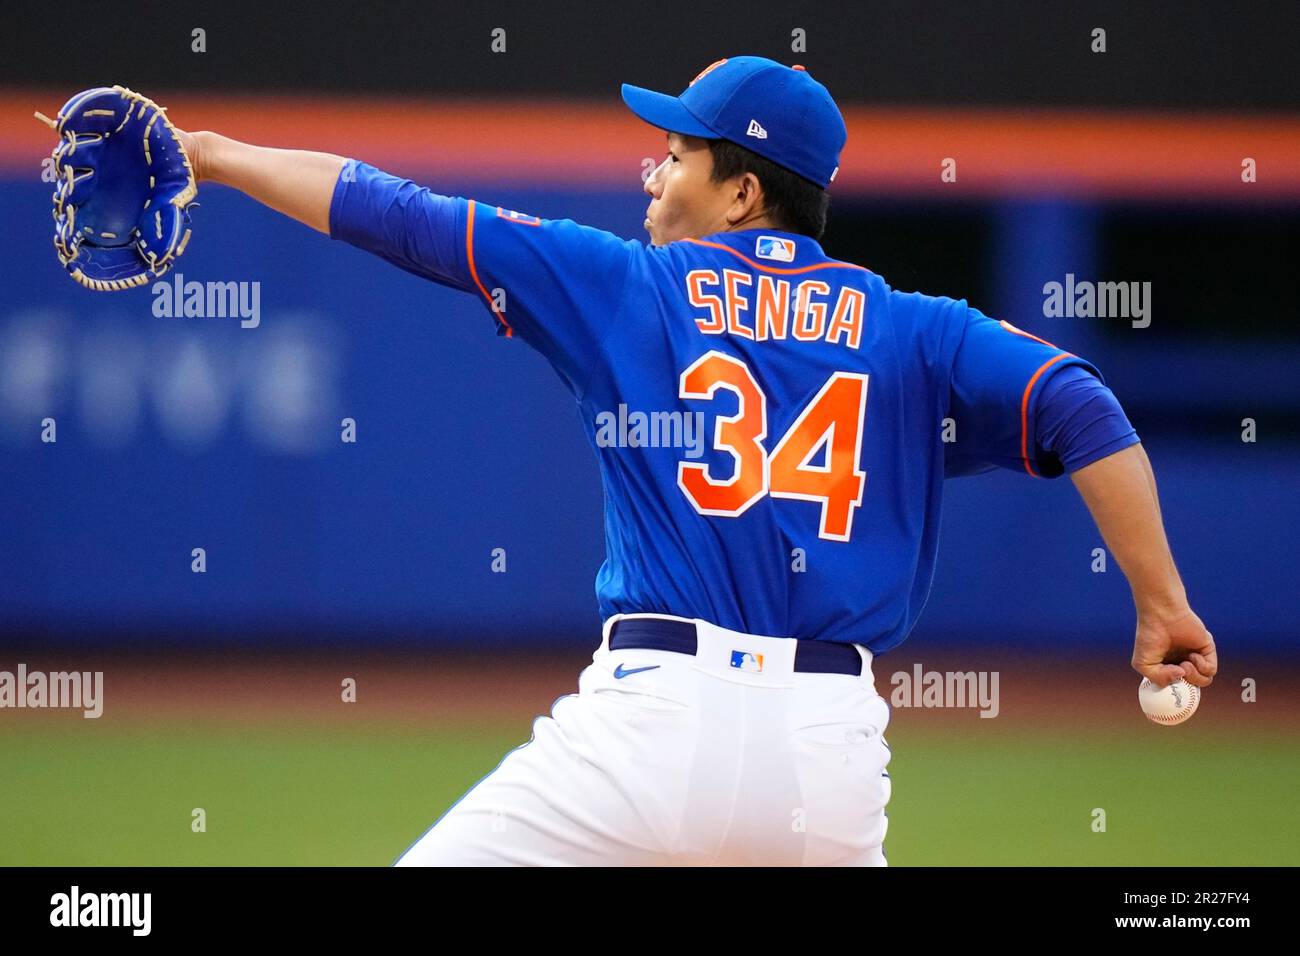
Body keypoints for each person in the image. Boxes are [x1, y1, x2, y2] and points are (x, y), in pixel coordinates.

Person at [172, 55, 1216, 866]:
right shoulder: (912, 331)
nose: (654, 171)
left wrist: (214, 153)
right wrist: (1160, 603)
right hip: (827, 754)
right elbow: (1081, 405)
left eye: (677, 154)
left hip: (649, 727)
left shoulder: (631, 286)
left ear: (741, 193)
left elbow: (398, 214)